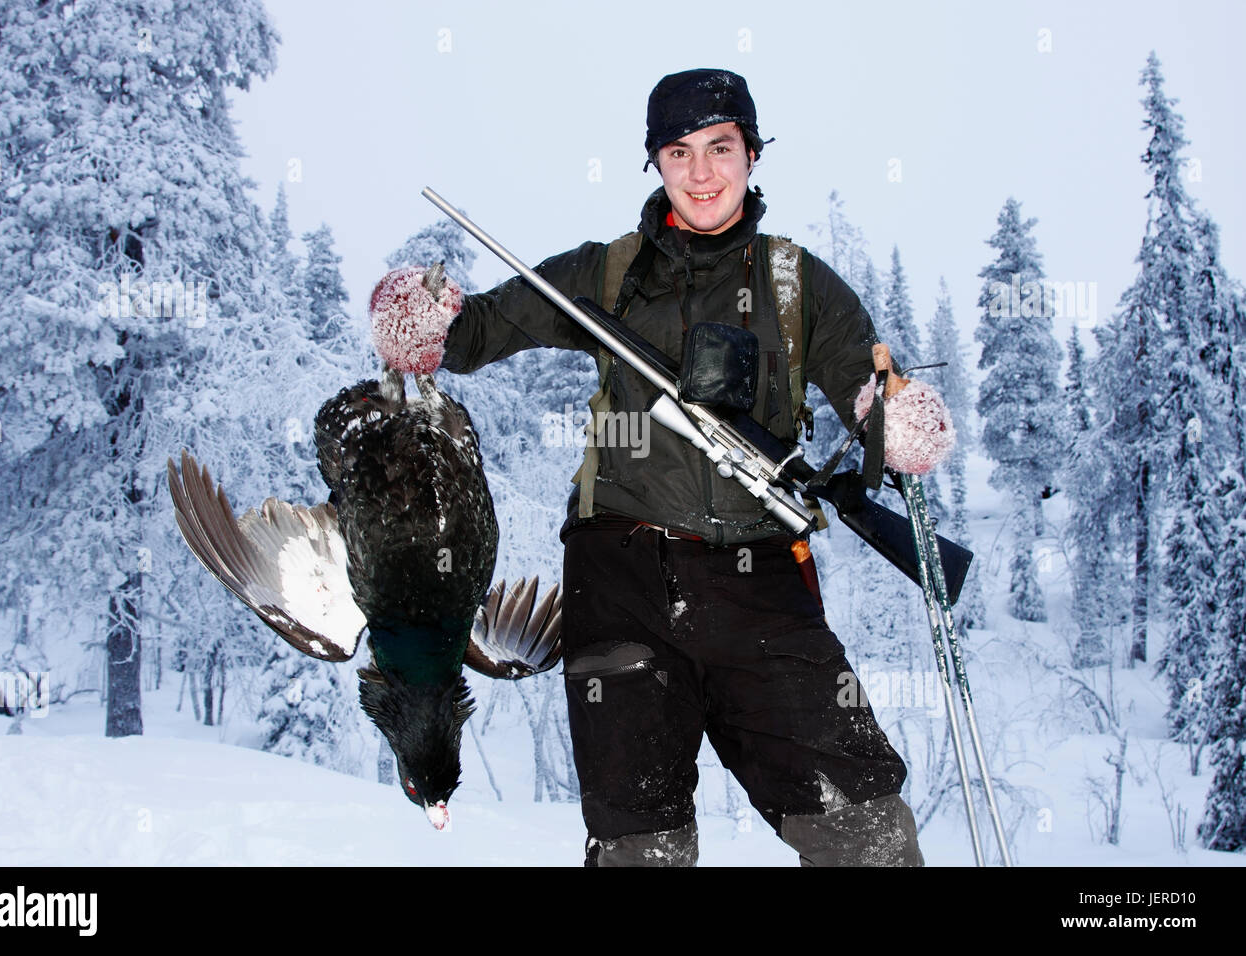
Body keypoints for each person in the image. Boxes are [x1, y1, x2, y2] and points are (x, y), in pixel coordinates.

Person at [370, 68, 952, 866]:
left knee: (868, 835)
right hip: (619, 590)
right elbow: (474, 335)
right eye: (679, 152)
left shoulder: (796, 282)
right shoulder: (603, 276)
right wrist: (424, 319)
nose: (702, 172)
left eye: (721, 147)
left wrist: (893, 414)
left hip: (763, 586)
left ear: (752, 154)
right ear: (655, 162)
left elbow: (864, 378)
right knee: (640, 852)